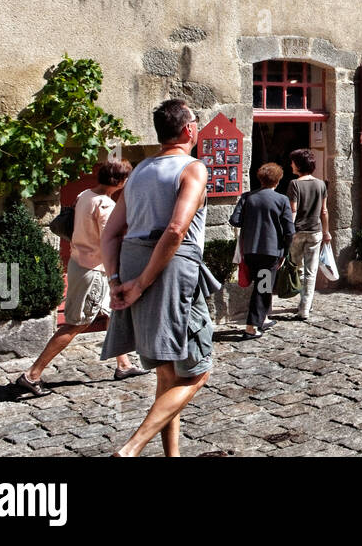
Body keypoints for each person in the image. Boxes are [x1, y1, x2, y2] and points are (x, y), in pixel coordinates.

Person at [100, 99, 220, 458]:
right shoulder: (193, 168)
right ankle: (131, 449)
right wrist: (141, 283)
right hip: (169, 268)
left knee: (167, 374)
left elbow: (110, 232)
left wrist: (117, 280)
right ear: (188, 130)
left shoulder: (139, 170)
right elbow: (175, 228)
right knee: (198, 372)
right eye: (196, 122)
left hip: (133, 261)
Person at [12, 160, 144, 395]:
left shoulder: (85, 194)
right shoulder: (105, 205)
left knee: (114, 313)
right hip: (93, 271)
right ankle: (32, 375)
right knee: (75, 324)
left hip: (79, 263)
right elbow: (109, 241)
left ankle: (123, 365)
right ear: (119, 181)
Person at [238, 162, 294, 339]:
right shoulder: (281, 200)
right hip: (269, 251)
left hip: (250, 250)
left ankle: (263, 318)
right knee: (262, 288)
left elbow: (235, 220)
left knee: (261, 287)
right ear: (277, 181)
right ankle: (252, 326)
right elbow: (289, 231)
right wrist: (285, 252)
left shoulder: (247, 197)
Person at [286, 148, 331, 321]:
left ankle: (303, 303)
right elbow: (324, 211)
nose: (291, 165)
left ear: (298, 165)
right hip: (315, 231)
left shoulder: (294, 184)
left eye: (292, 162)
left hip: (298, 231)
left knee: (297, 268)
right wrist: (326, 232)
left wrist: (288, 231)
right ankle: (306, 306)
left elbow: (293, 210)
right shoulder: (320, 184)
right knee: (311, 270)